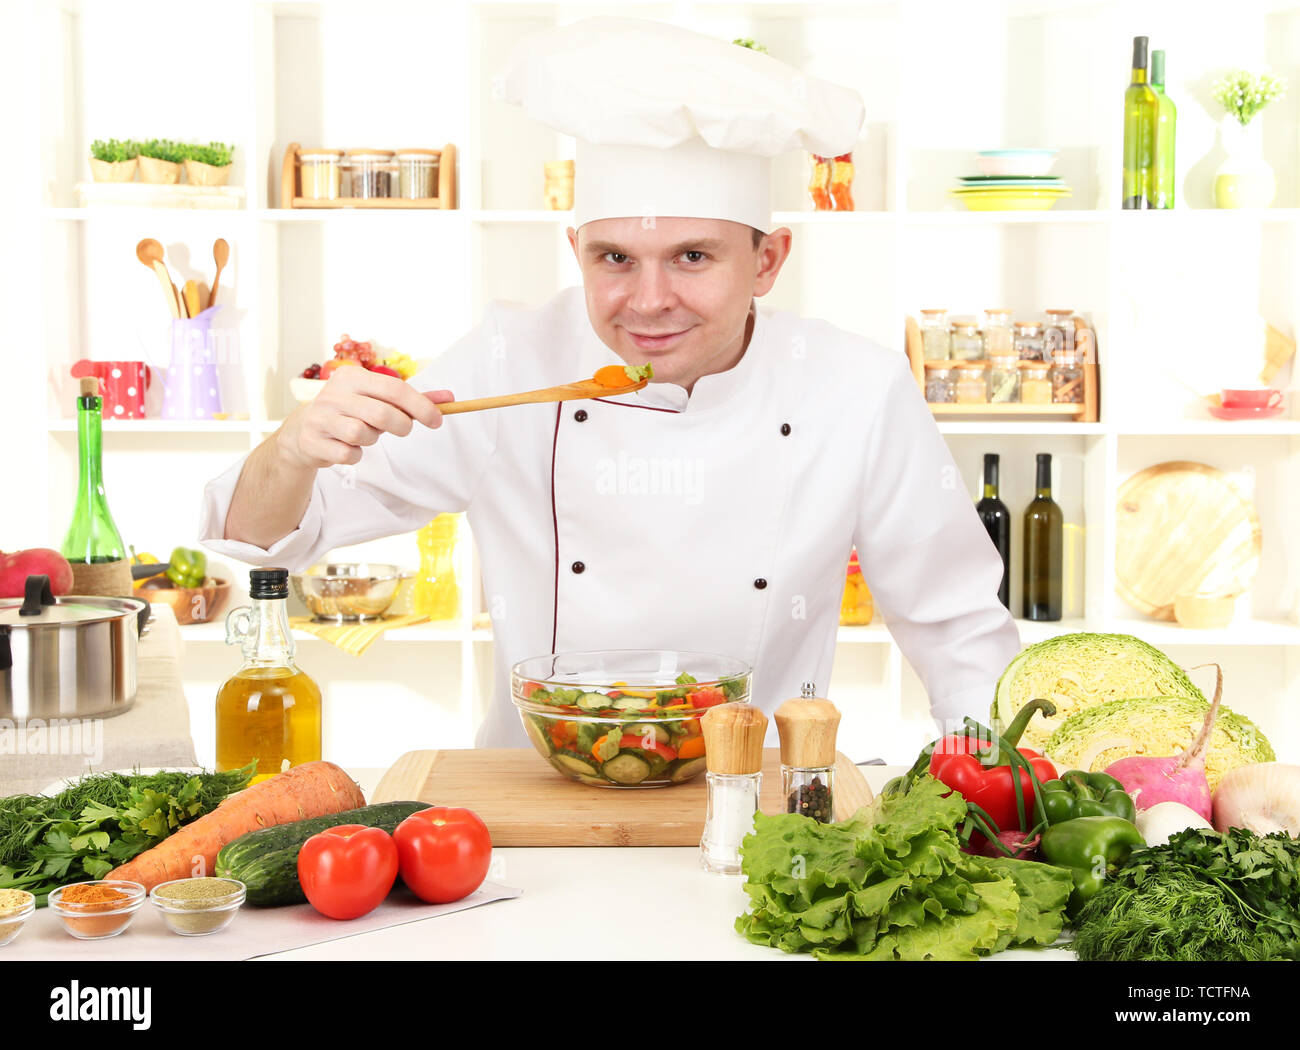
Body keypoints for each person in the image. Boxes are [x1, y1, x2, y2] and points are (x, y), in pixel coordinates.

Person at [198, 17, 1019, 749]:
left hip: (763, 800)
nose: (650, 300)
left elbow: (955, 626)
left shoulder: (855, 387)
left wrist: (1002, 794)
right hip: (534, 806)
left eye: (693, 257)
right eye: (614, 258)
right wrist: (294, 449)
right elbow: (272, 535)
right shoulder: (506, 362)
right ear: (576, 251)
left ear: (767, 262)